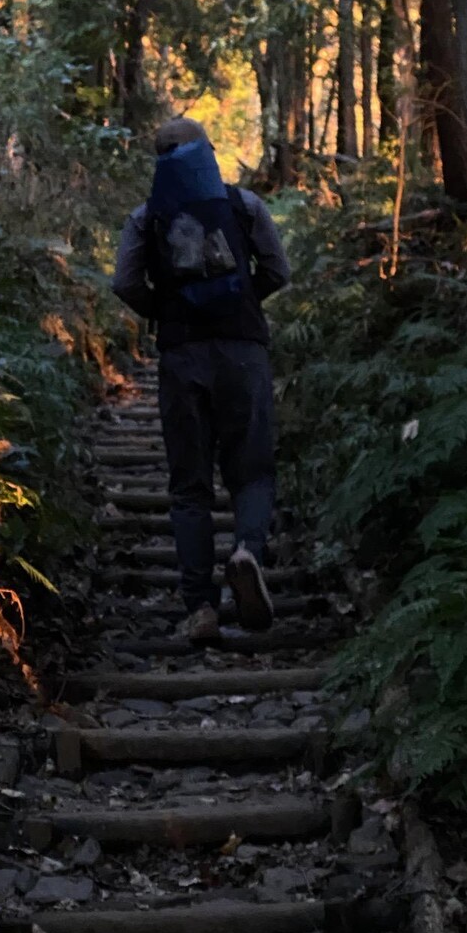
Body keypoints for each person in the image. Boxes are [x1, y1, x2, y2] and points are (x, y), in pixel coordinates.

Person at [112, 118, 292, 643]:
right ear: (208, 153)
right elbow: (278, 271)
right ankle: (246, 553)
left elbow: (124, 282)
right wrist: (242, 302)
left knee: (190, 487)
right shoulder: (244, 206)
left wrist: (165, 312)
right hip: (243, 353)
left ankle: (200, 607)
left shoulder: (146, 218)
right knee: (253, 471)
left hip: (182, 359)